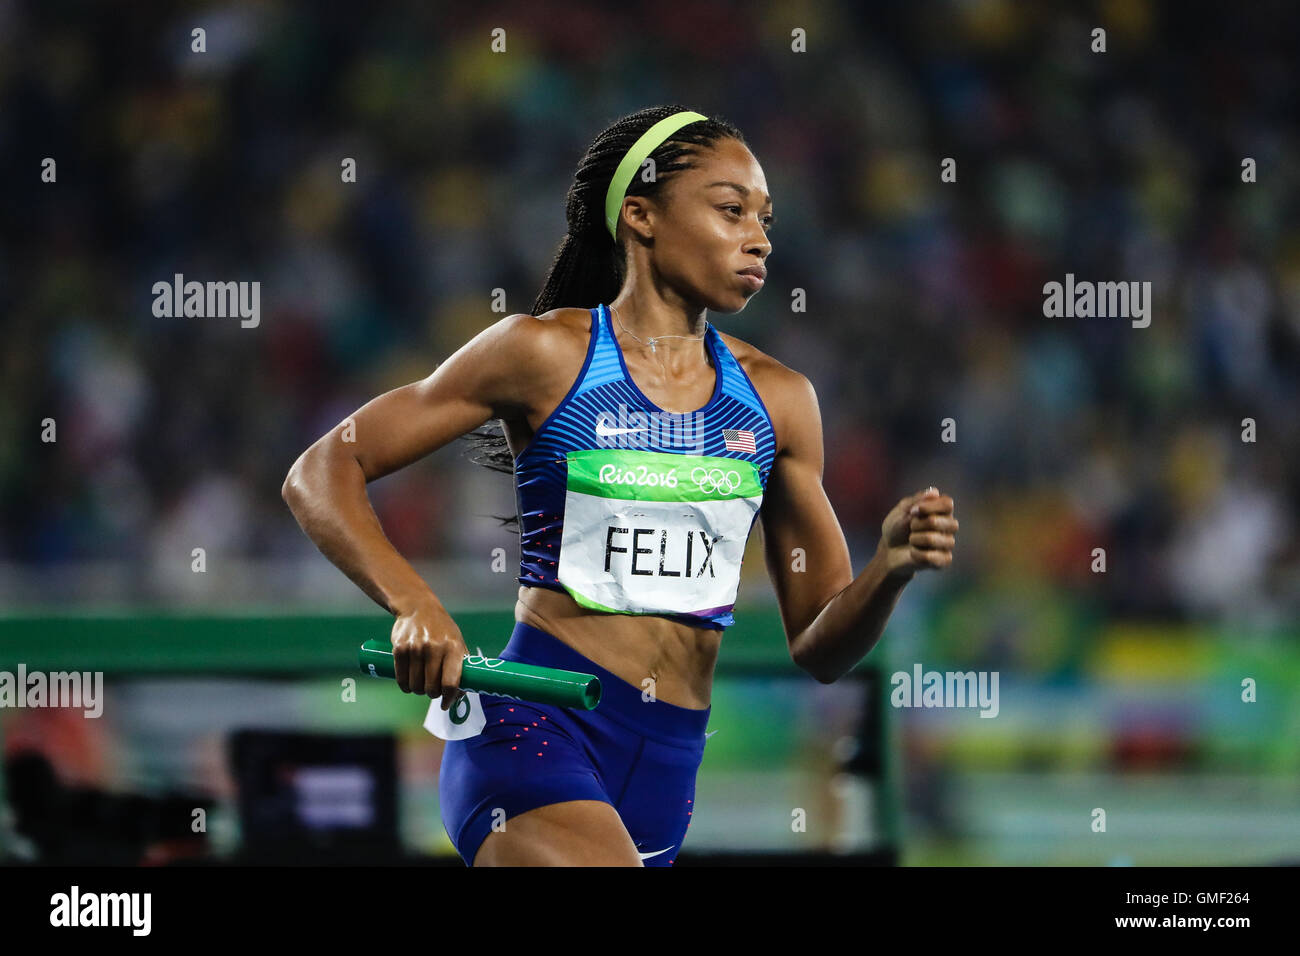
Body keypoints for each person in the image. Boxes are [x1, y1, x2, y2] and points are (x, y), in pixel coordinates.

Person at [282, 105, 958, 866]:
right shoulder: (541, 354)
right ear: (640, 215)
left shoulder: (780, 401)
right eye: (731, 209)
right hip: (534, 729)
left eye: (766, 218)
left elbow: (821, 644)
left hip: (666, 768)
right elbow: (322, 470)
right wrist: (417, 605)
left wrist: (889, 570)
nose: (759, 237)